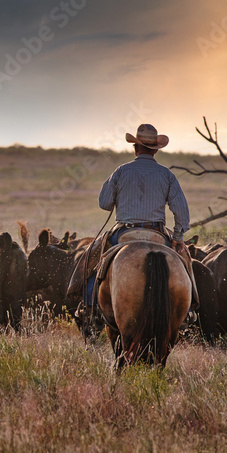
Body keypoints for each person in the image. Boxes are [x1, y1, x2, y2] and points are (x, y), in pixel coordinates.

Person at [76, 123, 195, 324]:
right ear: (156, 150)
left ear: (135, 148)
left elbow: (104, 203)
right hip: (157, 232)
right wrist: (178, 238)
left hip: (124, 233)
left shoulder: (121, 171)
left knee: (92, 258)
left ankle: (89, 308)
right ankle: (189, 310)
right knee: (185, 261)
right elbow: (182, 212)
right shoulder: (167, 175)